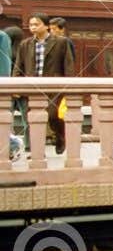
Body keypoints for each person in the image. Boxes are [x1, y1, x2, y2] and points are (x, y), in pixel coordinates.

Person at [14, 14, 71, 151]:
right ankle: (36, 150)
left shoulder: (61, 42)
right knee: (32, 119)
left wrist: (69, 85)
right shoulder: (25, 44)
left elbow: (68, 65)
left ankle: (60, 137)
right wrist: (15, 85)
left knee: (52, 115)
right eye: (31, 25)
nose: (33, 27)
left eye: (36, 24)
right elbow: (18, 66)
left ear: (46, 26)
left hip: (54, 86)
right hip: (32, 87)